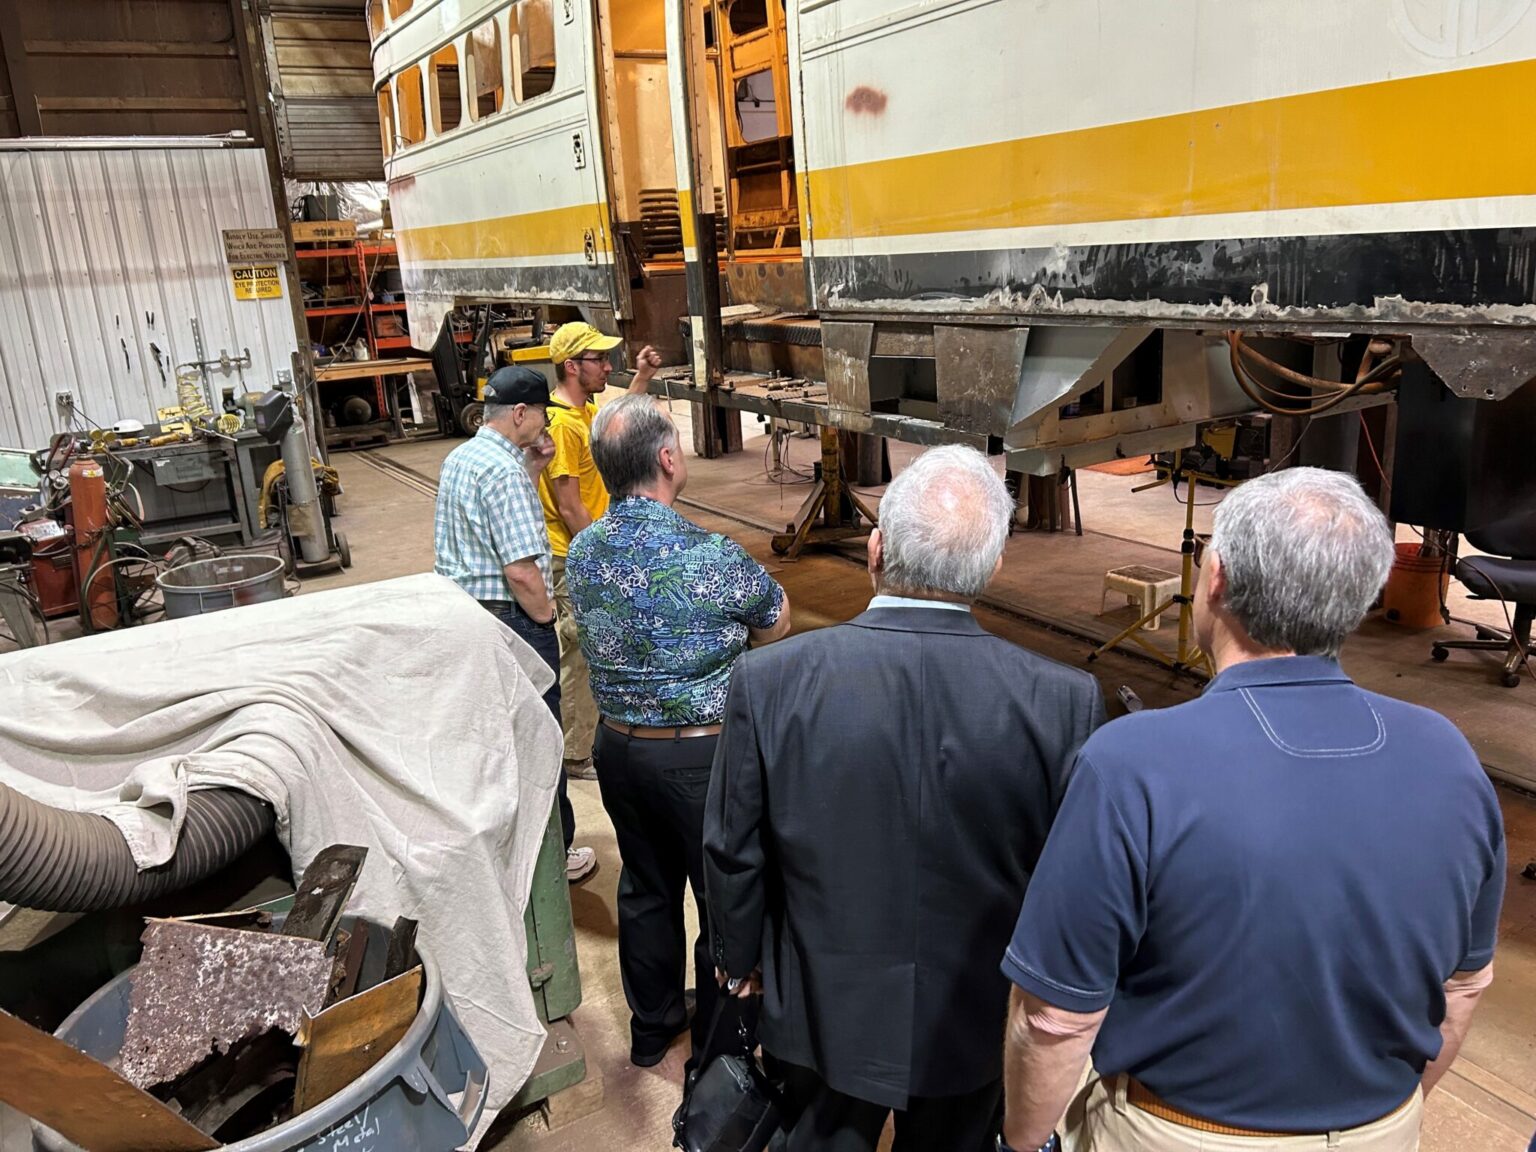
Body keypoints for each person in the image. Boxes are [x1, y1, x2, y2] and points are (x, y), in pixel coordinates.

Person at [999, 467, 1507, 1152]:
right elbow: (1466, 985)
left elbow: (1055, 1019)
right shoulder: (1447, 755)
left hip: (1175, 1133)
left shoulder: (1132, 763)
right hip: (1383, 1130)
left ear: (1219, 581)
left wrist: (1022, 1144)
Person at [704, 445, 1105, 1152]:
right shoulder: (1062, 701)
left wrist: (740, 966)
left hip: (820, 1010)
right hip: (974, 1017)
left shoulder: (770, 681)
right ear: (993, 568)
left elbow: (733, 850)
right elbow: (1067, 882)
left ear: (875, 549)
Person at [565, 393, 791, 1068]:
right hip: (699, 756)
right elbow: (777, 621)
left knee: (644, 885)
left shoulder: (583, 551)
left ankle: (652, 1026)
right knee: (720, 892)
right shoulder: (709, 554)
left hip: (617, 749)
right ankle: (719, 1044)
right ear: (667, 458)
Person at [434, 365, 597, 884]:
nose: (546, 425)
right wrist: (548, 619)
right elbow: (522, 571)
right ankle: (554, 855)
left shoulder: (465, 457)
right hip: (511, 619)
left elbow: (500, 517)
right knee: (538, 738)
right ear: (521, 413)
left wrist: (534, 465)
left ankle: (507, 854)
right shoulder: (503, 473)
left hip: (466, 616)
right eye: (542, 416)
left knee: (495, 737)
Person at [537, 323, 663, 784]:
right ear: (572, 366)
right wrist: (604, 555)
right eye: (599, 359)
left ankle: (585, 737)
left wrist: (643, 379)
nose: (608, 366)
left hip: (585, 550)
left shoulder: (584, 412)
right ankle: (574, 753)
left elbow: (621, 425)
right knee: (579, 654)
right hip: (570, 556)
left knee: (594, 647)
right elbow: (569, 504)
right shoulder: (561, 427)